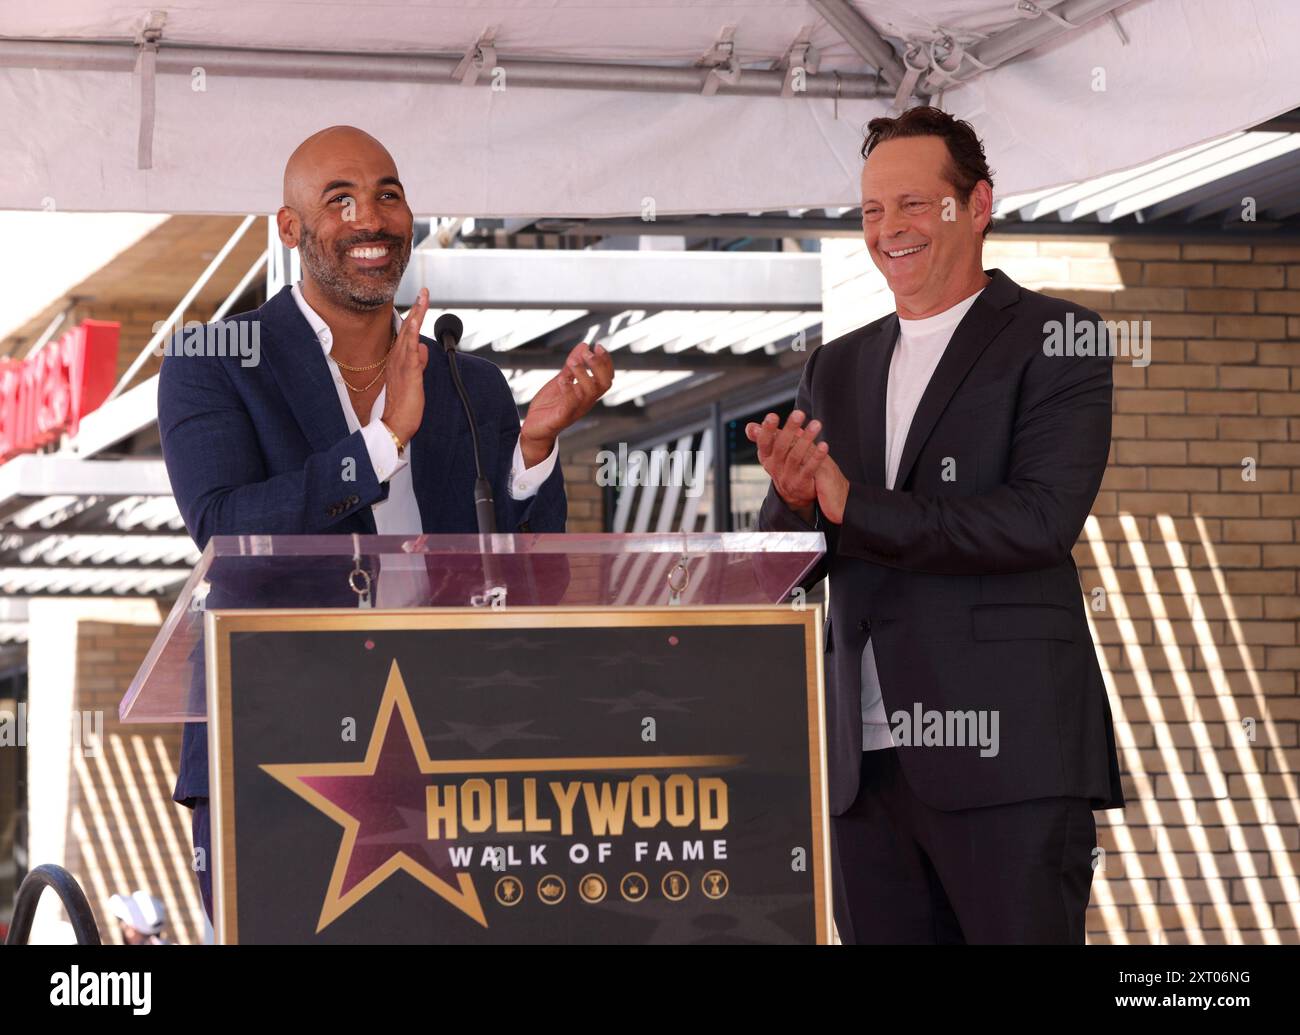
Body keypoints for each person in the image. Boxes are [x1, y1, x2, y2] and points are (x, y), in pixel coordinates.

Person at [158, 126, 614, 921]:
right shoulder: (214, 360)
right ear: (290, 229)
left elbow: (527, 578)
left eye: (387, 194)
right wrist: (381, 443)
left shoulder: (468, 381)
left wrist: (534, 450)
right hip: (279, 754)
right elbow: (228, 530)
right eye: (339, 200)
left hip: (454, 759)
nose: (370, 218)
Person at [747, 106, 1123, 944]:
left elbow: (1037, 520)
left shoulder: (1057, 339)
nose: (888, 230)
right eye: (873, 211)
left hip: (1009, 759)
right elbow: (795, 563)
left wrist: (852, 501)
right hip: (863, 768)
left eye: (914, 204)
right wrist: (795, 501)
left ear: (977, 205)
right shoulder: (834, 365)